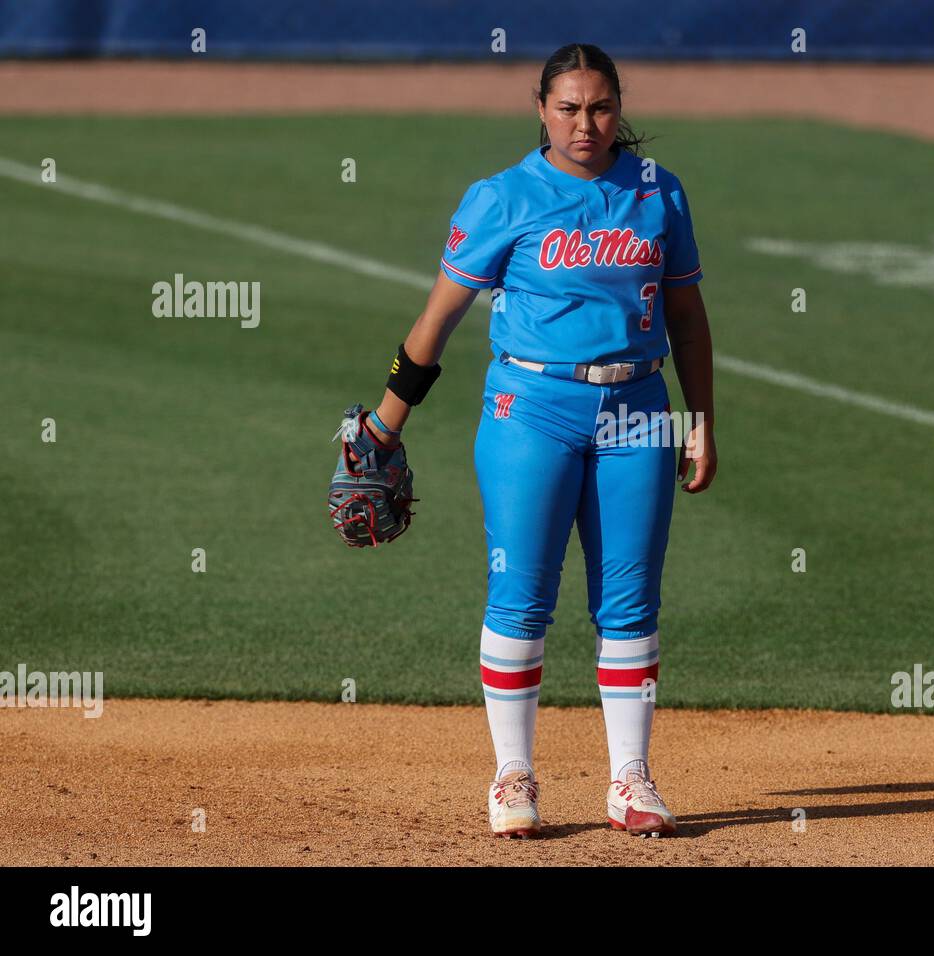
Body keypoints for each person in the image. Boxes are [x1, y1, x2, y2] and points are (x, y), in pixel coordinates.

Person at [351, 42, 716, 839]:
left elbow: (686, 319)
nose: (585, 124)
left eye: (601, 107)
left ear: (620, 107)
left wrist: (700, 421)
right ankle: (512, 775)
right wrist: (386, 421)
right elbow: (436, 321)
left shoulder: (659, 193)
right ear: (540, 109)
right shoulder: (503, 198)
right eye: (568, 108)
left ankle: (630, 779)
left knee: (631, 601)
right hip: (532, 405)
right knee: (522, 599)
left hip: (641, 408)